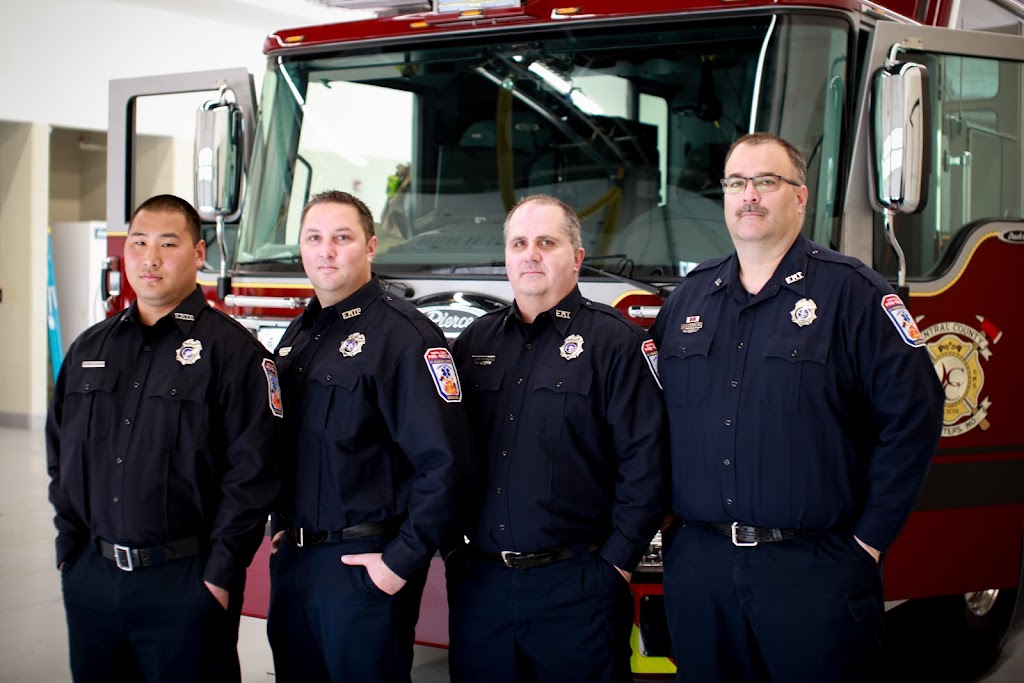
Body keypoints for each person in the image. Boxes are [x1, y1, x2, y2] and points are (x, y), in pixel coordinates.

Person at [650, 132, 945, 682]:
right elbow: (651, 419)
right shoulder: (689, 298)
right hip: (702, 569)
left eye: (767, 181)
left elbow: (916, 416)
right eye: (737, 183)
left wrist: (868, 543)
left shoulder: (853, 292)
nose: (750, 196)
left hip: (814, 570)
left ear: (800, 196)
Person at [46, 194, 282, 682]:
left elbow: (253, 475)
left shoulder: (234, 353)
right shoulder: (90, 347)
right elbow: (59, 454)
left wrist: (219, 576)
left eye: (167, 244)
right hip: (92, 576)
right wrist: (70, 553)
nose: (150, 259)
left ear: (199, 253)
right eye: (139, 243)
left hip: (185, 582)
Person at [446, 194, 667, 683]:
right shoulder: (474, 344)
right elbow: (444, 454)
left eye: (547, 242)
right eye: (519, 243)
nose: (531, 254)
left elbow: (646, 463)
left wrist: (616, 566)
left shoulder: (617, 342)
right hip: (481, 585)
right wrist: (449, 548)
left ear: (577, 257)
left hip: (578, 587)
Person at [266, 190, 469, 683]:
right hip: (296, 562)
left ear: (371, 246)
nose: (326, 251)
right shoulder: (299, 334)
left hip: (362, 568)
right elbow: (285, 442)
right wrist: (276, 529)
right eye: (314, 238)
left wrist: (398, 564)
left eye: (342, 238)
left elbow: (446, 464)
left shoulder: (405, 337)